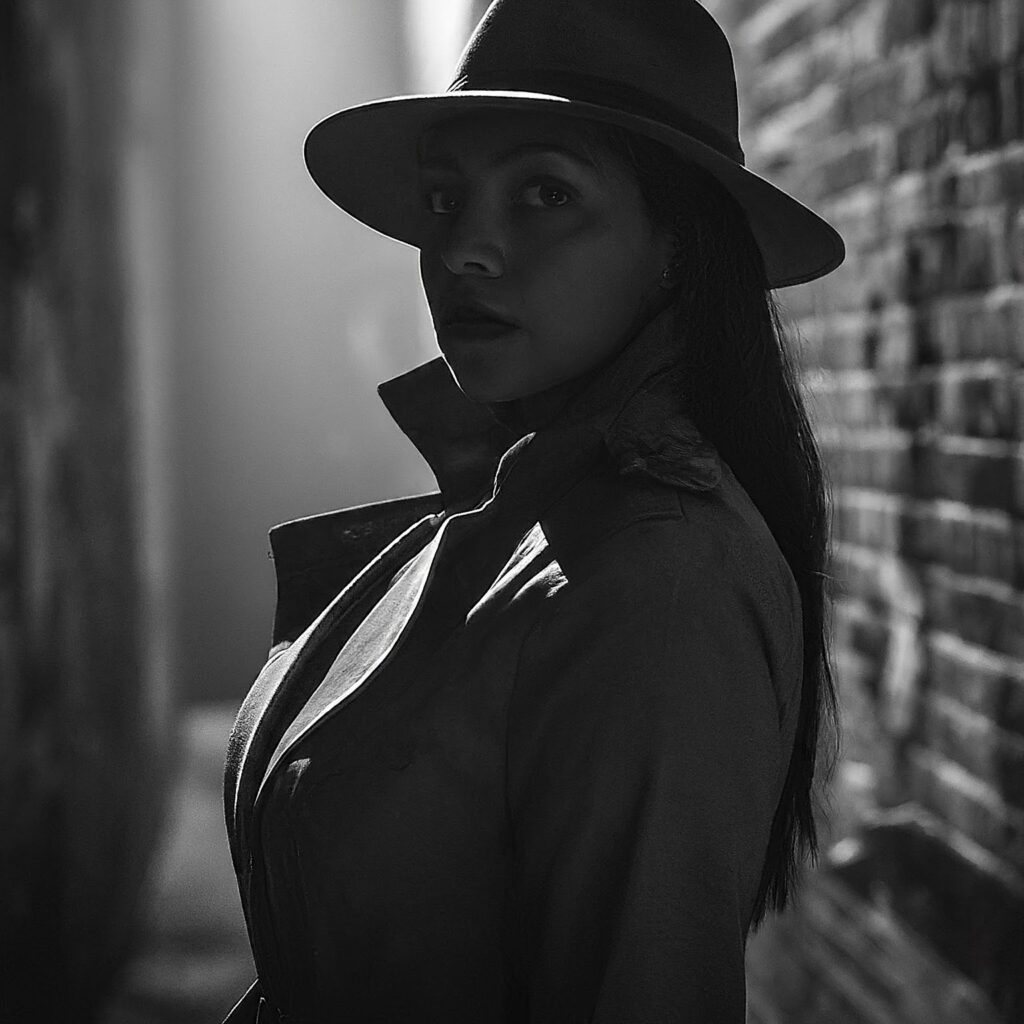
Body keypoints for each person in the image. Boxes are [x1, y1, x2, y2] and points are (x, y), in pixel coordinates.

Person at [222, 1, 845, 1021]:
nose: (462, 248)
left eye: (546, 193)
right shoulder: (513, 509)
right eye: (443, 198)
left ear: (678, 250)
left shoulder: (659, 582)